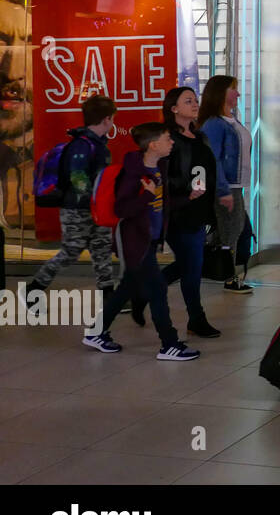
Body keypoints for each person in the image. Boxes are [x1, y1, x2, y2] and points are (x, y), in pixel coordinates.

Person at [83, 123, 200, 361]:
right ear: (153, 145)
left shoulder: (159, 167)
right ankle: (169, 344)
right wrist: (147, 194)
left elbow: (160, 206)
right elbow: (122, 208)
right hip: (134, 241)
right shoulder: (133, 173)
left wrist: (187, 198)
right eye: (168, 138)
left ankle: (96, 332)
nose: (172, 142)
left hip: (149, 239)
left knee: (127, 287)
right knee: (157, 289)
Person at [28, 95, 117, 305]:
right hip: (78, 209)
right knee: (71, 251)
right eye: (112, 118)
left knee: (102, 249)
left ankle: (108, 295)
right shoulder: (83, 145)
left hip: (93, 208)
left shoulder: (94, 144)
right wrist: (93, 198)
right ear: (106, 119)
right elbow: (77, 177)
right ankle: (34, 289)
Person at [154, 86, 221, 338]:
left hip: (199, 209)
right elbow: (162, 178)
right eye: (188, 101)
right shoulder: (169, 140)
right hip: (178, 212)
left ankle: (140, 291)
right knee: (192, 267)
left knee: (187, 264)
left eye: (195, 100)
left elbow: (208, 173)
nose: (195, 104)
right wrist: (185, 194)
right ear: (173, 109)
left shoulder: (200, 137)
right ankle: (196, 318)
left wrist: (217, 199)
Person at [198, 76, 254, 293]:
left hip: (235, 184)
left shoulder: (232, 120)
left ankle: (227, 273)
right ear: (221, 93)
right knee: (231, 231)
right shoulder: (214, 123)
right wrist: (222, 189)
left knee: (237, 230)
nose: (238, 94)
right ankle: (228, 276)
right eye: (234, 89)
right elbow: (213, 159)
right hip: (227, 186)